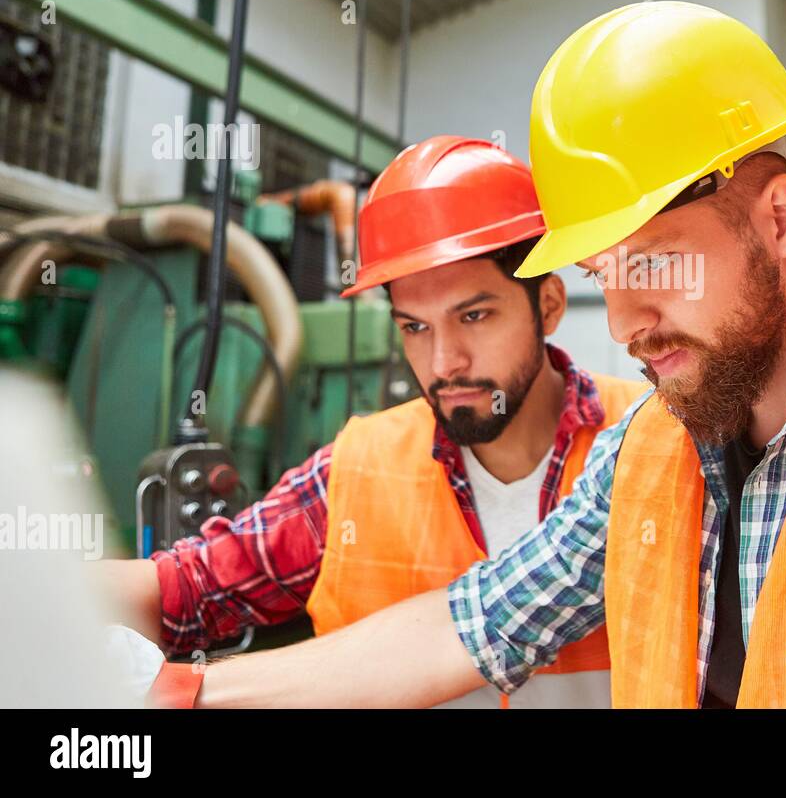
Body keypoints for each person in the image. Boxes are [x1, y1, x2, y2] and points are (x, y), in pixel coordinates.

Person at [191, 4, 786, 708]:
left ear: (781, 219)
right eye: (601, 271)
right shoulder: (654, 450)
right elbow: (470, 627)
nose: (624, 319)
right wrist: (186, 693)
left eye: (654, 262)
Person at [94, 135, 645, 708]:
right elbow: (188, 587)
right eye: (415, 326)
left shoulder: (646, 447)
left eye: (474, 315)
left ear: (549, 304)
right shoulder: (360, 470)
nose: (443, 362)